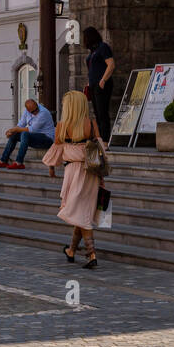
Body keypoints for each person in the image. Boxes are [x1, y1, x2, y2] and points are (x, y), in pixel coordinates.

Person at [44, 90, 105, 269]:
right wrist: (101, 176)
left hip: (73, 171)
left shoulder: (62, 126)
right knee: (82, 211)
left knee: (80, 214)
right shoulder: (92, 124)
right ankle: (71, 250)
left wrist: (51, 167)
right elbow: (100, 150)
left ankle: (91, 253)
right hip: (91, 171)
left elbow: (56, 149)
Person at [0, 98, 56, 169]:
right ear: (28, 110)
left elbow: (31, 130)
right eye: (33, 111)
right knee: (15, 135)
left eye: (36, 109)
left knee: (25, 133)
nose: (36, 112)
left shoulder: (43, 113)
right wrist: (11, 131)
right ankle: (3, 161)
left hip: (47, 139)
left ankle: (19, 162)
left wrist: (14, 130)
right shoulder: (27, 111)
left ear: (37, 105)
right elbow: (21, 124)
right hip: (34, 137)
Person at [83, 27, 116, 140]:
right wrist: (89, 83)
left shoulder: (103, 47)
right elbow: (92, 69)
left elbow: (111, 65)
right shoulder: (92, 51)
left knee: (103, 113)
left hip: (102, 85)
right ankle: (101, 138)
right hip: (93, 85)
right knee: (97, 113)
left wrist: (103, 80)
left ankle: (105, 140)